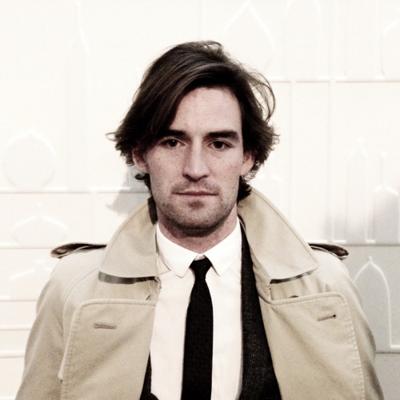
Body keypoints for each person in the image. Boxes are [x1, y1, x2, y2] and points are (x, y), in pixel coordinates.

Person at [16, 41, 383, 400]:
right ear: (140, 154)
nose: (195, 169)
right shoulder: (75, 289)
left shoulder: (326, 287)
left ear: (248, 156)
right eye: (172, 142)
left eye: (218, 144)